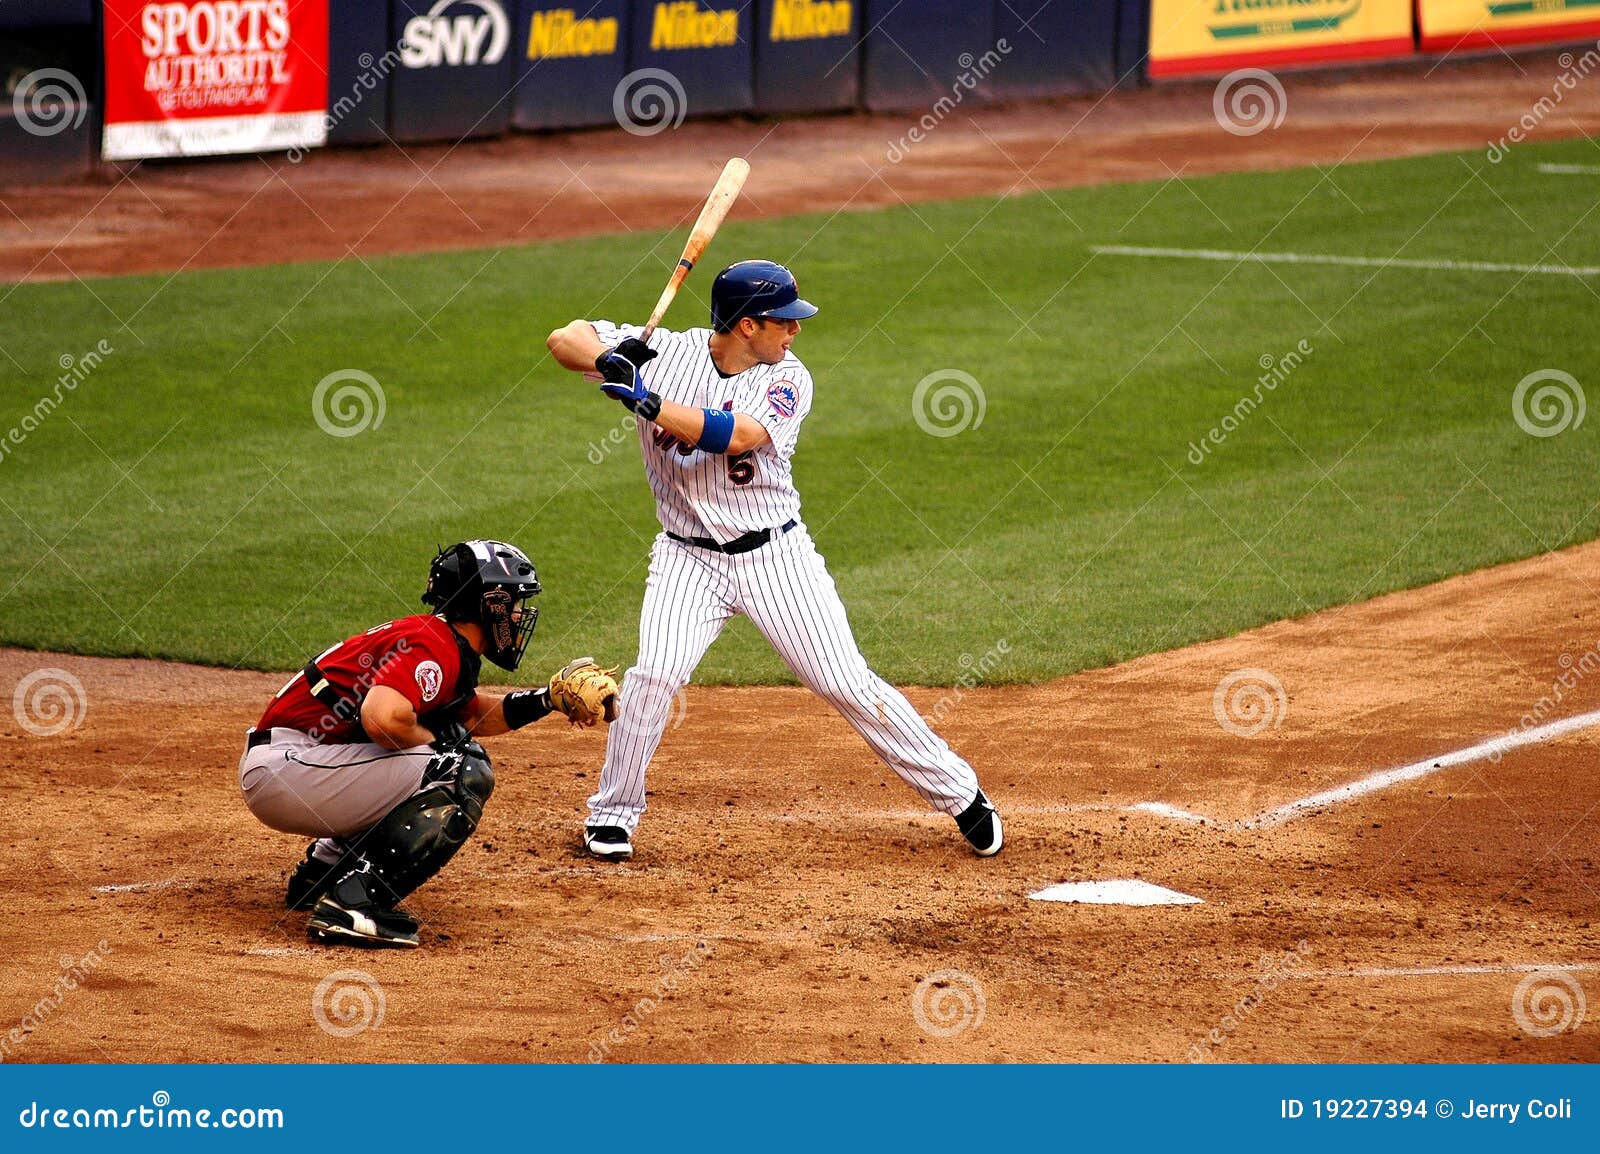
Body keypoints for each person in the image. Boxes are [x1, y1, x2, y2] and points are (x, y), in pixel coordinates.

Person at [545, 259, 1002, 862]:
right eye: (785, 321)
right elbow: (563, 337)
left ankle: (961, 794)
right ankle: (612, 814)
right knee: (653, 676)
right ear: (748, 325)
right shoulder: (664, 352)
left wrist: (647, 401)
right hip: (686, 558)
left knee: (846, 683)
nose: (796, 332)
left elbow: (733, 435)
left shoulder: (788, 378)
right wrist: (610, 358)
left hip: (775, 556)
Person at [238, 539, 617, 947]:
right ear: (491, 602)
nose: (519, 614)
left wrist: (546, 700)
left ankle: (326, 872)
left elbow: (473, 716)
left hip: (298, 763)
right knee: (457, 769)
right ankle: (355, 902)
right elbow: (382, 718)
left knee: (445, 752)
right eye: (515, 603)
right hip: (290, 768)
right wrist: (438, 745)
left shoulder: (440, 641)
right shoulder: (433, 646)